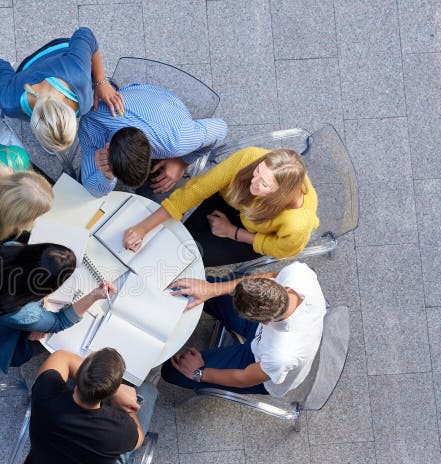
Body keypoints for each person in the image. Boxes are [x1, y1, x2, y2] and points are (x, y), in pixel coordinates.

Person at [122, 147, 319, 267]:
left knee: (188, 257)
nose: (253, 181)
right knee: (179, 238)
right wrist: (143, 227)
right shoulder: (250, 158)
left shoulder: (296, 223)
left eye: (264, 184)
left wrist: (233, 232)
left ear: (280, 194)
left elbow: (279, 249)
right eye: (258, 171)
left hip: (251, 236)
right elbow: (196, 190)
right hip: (232, 203)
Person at [161, 261, 326, 396]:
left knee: (171, 372)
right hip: (266, 335)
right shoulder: (299, 274)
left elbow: (243, 377)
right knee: (194, 287)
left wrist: (199, 373)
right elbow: (271, 276)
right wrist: (212, 289)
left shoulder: (281, 356)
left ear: (264, 323)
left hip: (257, 362)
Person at [24, 348, 157, 464]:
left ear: (81, 373)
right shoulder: (120, 428)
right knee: (148, 391)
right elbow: (138, 440)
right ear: (111, 390)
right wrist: (117, 398)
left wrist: (106, 387)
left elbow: (62, 356)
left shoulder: (45, 391)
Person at [0, 27, 124, 152]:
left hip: (66, 54)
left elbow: (86, 35)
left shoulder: (10, 102)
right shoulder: (8, 100)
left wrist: (101, 83)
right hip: (57, 55)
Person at [0, 242, 115, 372]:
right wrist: (94, 295)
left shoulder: (10, 248)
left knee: (37, 329)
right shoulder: (25, 314)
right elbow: (58, 322)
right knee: (41, 340)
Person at [79, 83, 228, 197]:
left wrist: (182, 162)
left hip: (166, 112)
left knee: (158, 193)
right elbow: (90, 189)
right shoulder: (89, 131)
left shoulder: (176, 141)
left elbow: (221, 128)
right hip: (134, 101)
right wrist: (107, 175)